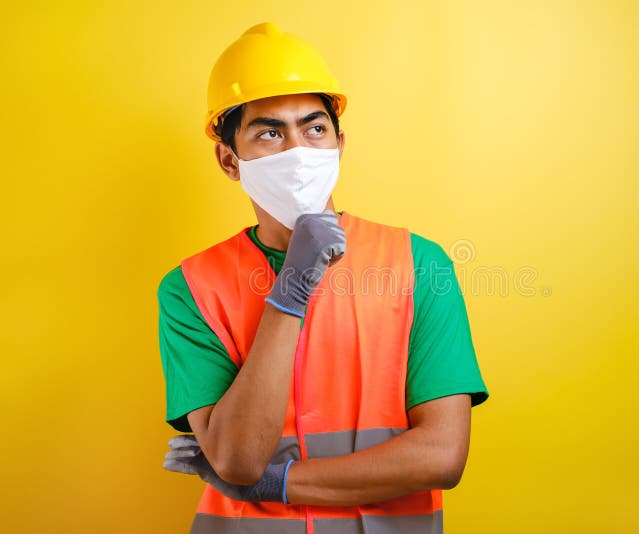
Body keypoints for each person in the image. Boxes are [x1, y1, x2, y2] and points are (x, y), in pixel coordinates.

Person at [158, 22, 488, 534]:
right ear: (229, 159)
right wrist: (292, 285)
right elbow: (239, 460)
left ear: (339, 144)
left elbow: (442, 455)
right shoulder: (190, 288)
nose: (298, 149)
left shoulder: (419, 264)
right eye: (269, 132)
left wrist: (277, 483)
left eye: (314, 128)